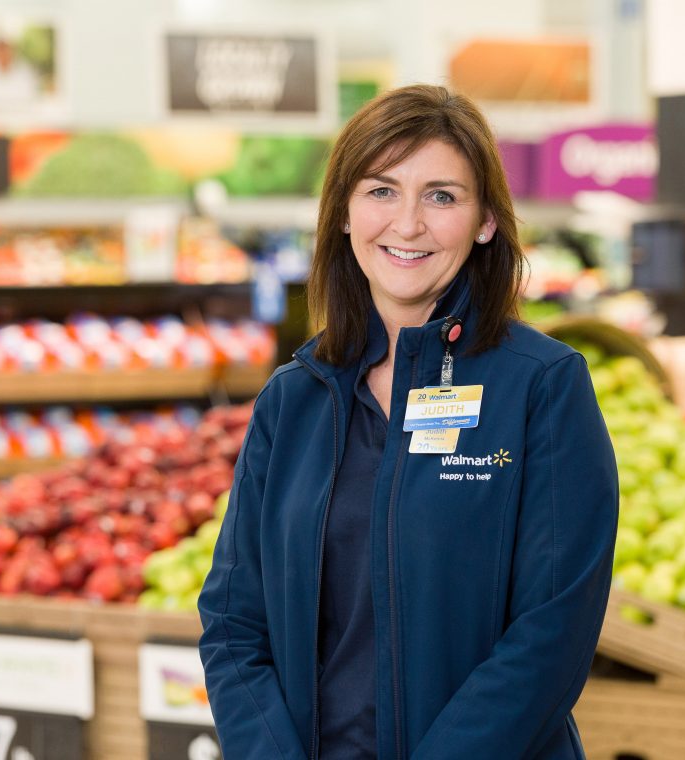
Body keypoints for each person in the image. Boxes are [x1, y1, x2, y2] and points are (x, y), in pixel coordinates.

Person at [198, 83, 618, 759]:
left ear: (486, 221)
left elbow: (554, 629)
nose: (408, 224)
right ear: (343, 213)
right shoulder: (293, 399)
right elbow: (230, 621)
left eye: (442, 196)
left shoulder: (541, 385)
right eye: (381, 191)